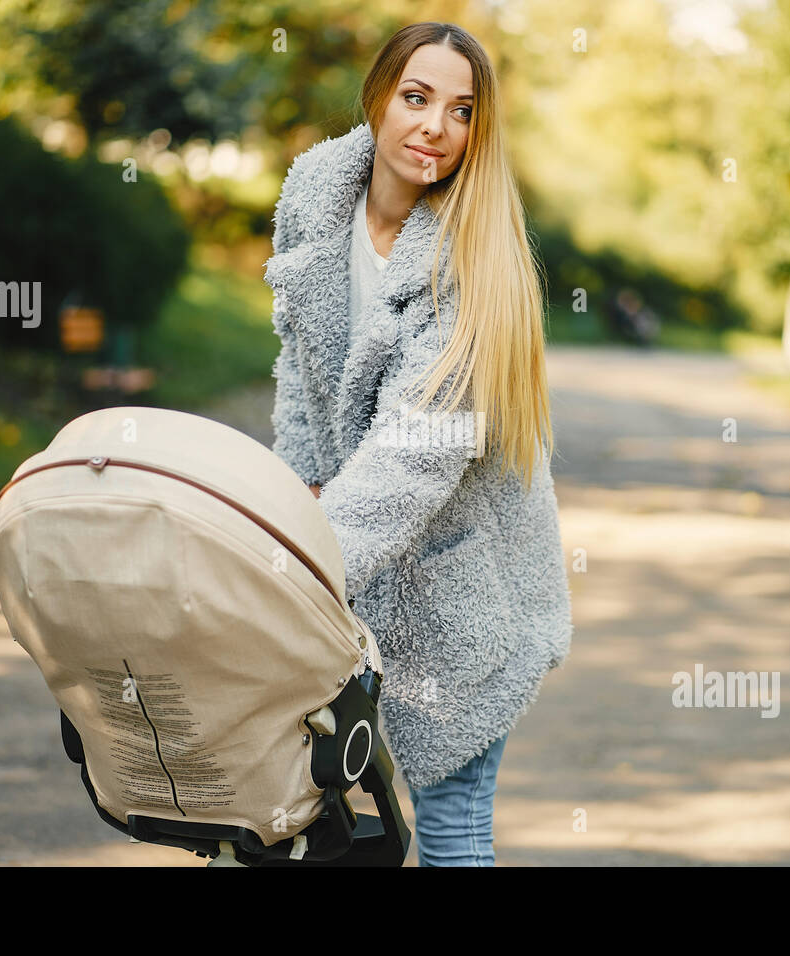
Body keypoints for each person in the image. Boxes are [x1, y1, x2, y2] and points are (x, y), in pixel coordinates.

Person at [264, 21, 572, 866]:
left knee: (452, 826)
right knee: (303, 821)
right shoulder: (316, 199)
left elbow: (415, 454)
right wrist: (287, 503)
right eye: (416, 97)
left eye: (462, 110)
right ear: (376, 98)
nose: (436, 125)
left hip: (465, 590)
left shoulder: (476, 264)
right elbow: (302, 377)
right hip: (347, 572)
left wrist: (301, 556)